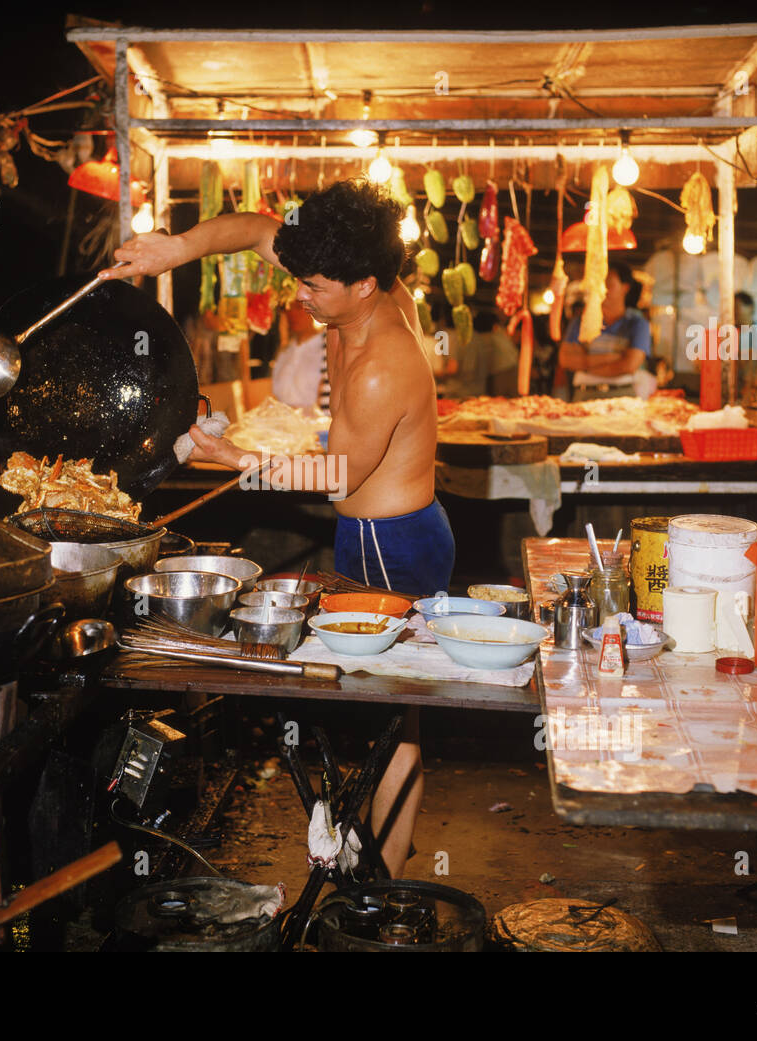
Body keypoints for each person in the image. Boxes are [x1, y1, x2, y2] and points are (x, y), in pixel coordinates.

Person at [101, 179, 452, 879]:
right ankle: (388, 846)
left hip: (395, 545)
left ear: (364, 284)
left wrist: (234, 457)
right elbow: (256, 227)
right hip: (370, 535)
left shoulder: (386, 362)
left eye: (314, 287)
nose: (299, 296)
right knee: (389, 705)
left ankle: (388, 865)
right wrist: (176, 249)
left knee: (397, 705)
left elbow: (336, 477)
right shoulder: (354, 281)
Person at [557, 261, 654, 400]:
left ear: (625, 288)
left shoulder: (638, 324)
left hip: (622, 396)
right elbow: (566, 360)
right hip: (584, 395)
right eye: (598, 285)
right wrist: (611, 358)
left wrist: (585, 365)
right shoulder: (579, 322)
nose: (602, 290)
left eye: (608, 285)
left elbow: (629, 365)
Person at [270, 301, 329, 413]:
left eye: (298, 307)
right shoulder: (284, 352)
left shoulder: (325, 346)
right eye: (287, 308)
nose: (292, 313)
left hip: (316, 425)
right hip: (282, 424)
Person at [445, 309, 519, 398]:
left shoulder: (466, 338)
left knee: (503, 401)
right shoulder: (497, 334)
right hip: (512, 368)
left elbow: (453, 369)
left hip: (499, 374)